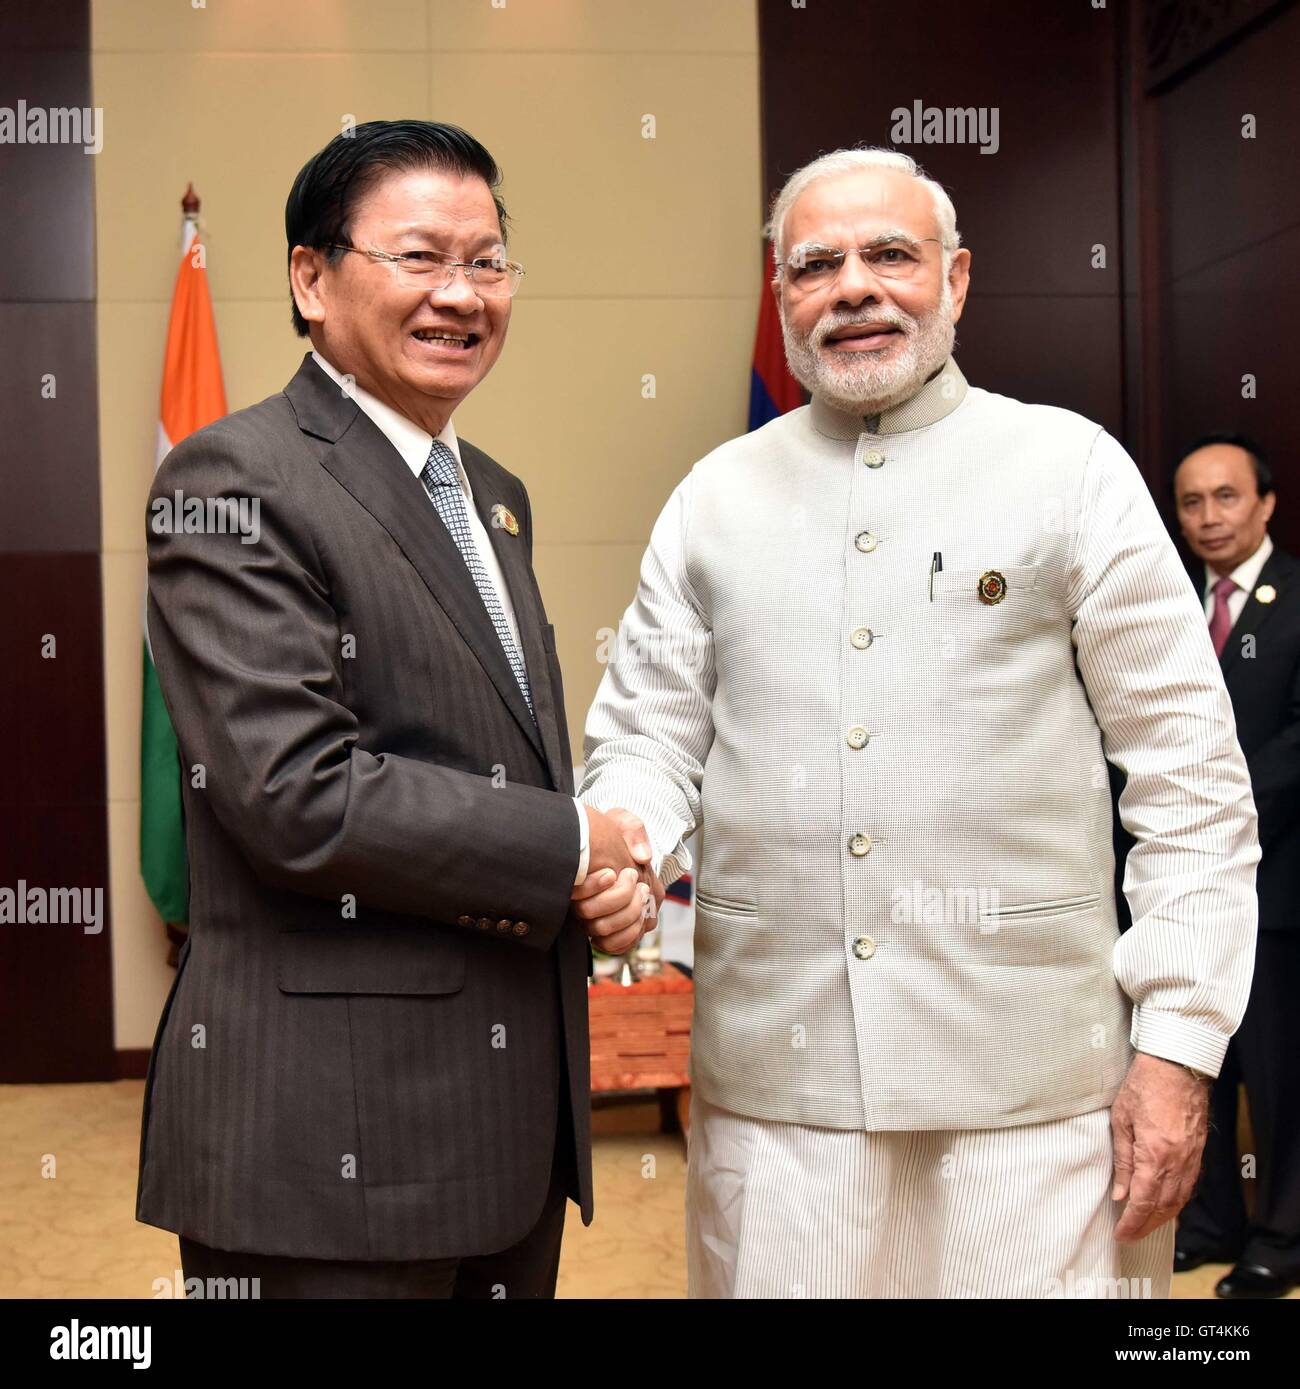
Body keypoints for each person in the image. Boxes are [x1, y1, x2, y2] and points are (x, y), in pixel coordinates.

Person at [576, 146, 1259, 1299]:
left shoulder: (1072, 469)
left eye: (890, 254)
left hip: (1036, 1114)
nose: (853, 286)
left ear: (956, 280)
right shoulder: (712, 499)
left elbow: (1188, 782)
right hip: (775, 1115)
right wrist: (629, 843)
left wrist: (1179, 1051)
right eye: (816, 264)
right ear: (781, 296)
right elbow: (647, 739)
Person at [137, 120, 654, 1298]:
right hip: (328, 1147)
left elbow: (501, 764)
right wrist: (575, 843)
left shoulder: (492, 494)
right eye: (420, 257)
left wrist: (590, 872)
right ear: (311, 280)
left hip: (503, 1133)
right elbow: (296, 794)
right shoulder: (232, 479)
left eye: (488, 262)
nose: (461, 295)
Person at [1172, 433, 1300, 1299]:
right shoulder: (1169, 601)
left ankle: (1282, 1237)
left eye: (1226, 497)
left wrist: (1209, 806)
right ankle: (1211, 1219)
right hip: (1181, 894)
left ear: (1265, 503)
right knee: (1197, 1058)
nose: (1209, 516)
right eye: (1191, 502)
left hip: (1280, 884)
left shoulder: (1297, 596)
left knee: (1283, 1072)